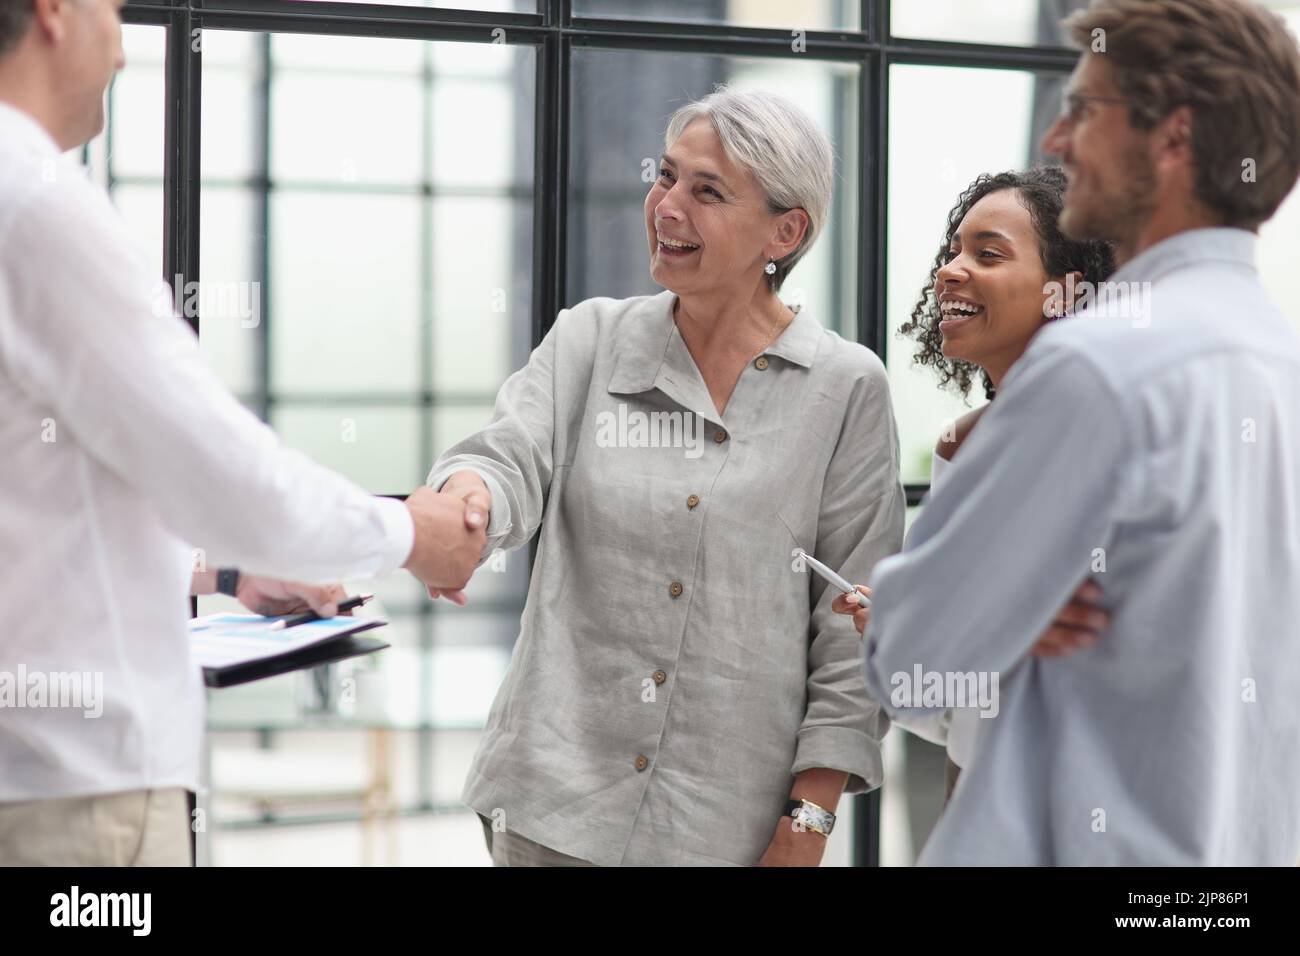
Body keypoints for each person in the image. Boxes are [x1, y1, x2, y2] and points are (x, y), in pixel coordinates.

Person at [0, 0, 482, 865]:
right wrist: (413, 534)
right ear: (53, 11)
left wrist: (224, 569)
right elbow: (223, 470)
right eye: (112, 7)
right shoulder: (36, 203)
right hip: (73, 803)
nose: (122, 41)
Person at [848, 0, 1300, 864]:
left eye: (1085, 110)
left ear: (1172, 137)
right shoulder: (1282, 364)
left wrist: (972, 600)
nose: (1058, 139)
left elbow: (907, 663)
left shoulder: (1097, 367)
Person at [429, 87, 906, 866]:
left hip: (726, 828)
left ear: (784, 231)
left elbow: (852, 626)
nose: (667, 206)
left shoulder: (845, 388)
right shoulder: (591, 339)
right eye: (667, 176)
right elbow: (501, 460)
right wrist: (467, 503)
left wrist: (808, 824)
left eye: (707, 191)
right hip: (550, 809)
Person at [893, 167, 1116, 804]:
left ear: (1065, 293)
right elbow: (946, 704)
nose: (951, 270)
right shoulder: (959, 450)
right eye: (953, 251)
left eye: (987, 254)